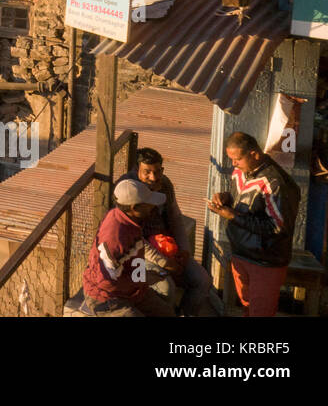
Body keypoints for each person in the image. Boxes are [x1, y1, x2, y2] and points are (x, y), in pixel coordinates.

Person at [208, 131, 300, 317]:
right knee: (248, 309)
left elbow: (277, 227)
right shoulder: (241, 171)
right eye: (231, 159)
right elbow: (243, 199)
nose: (233, 164)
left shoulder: (276, 183)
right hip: (241, 253)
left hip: (264, 261)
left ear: (254, 154)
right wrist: (226, 198)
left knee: (260, 312)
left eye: (238, 159)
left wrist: (233, 216)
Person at [121, 147, 213, 315]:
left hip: (166, 247)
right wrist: (164, 262)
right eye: (147, 172)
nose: (153, 177)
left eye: (157, 172)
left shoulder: (165, 185)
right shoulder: (128, 190)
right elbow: (134, 239)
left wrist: (185, 251)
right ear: (136, 170)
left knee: (202, 280)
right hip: (137, 256)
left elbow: (175, 218)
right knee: (166, 288)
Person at [81, 178, 175, 316]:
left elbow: (135, 252)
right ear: (135, 208)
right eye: (148, 204)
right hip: (107, 298)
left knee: (166, 313)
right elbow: (107, 282)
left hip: (132, 289)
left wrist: (143, 277)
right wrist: (142, 279)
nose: (153, 206)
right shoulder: (115, 238)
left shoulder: (128, 220)